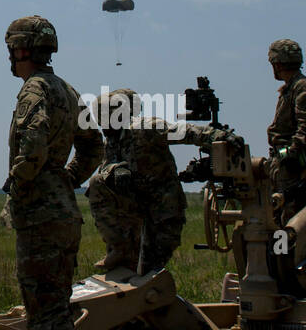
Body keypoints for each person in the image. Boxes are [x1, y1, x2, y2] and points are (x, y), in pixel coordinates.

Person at [0, 15, 103, 330]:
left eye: (11, 48)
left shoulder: (35, 90)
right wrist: (69, 180)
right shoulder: (69, 91)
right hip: (62, 210)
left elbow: (35, 141)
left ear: (21, 49)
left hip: (41, 213)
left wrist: (21, 182)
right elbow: (94, 145)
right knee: (53, 304)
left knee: (47, 312)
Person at [86, 88, 235, 274]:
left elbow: (184, 131)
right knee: (97, 183)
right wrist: (116, 169)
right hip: (137, 211)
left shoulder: (145, 128)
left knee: (150, 270)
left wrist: (218, 137)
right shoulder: (112, 142)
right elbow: (104, 169)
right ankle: (118, 249)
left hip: (164, 211)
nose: (102, 125)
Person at [266, 39, 306, 215]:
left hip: (293, 167)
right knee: (279, 218)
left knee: (291, 218)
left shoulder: (301, 88)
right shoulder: (292, 87)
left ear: (277, 64)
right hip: (285, 164)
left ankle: (288, 244)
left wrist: (291, 153)